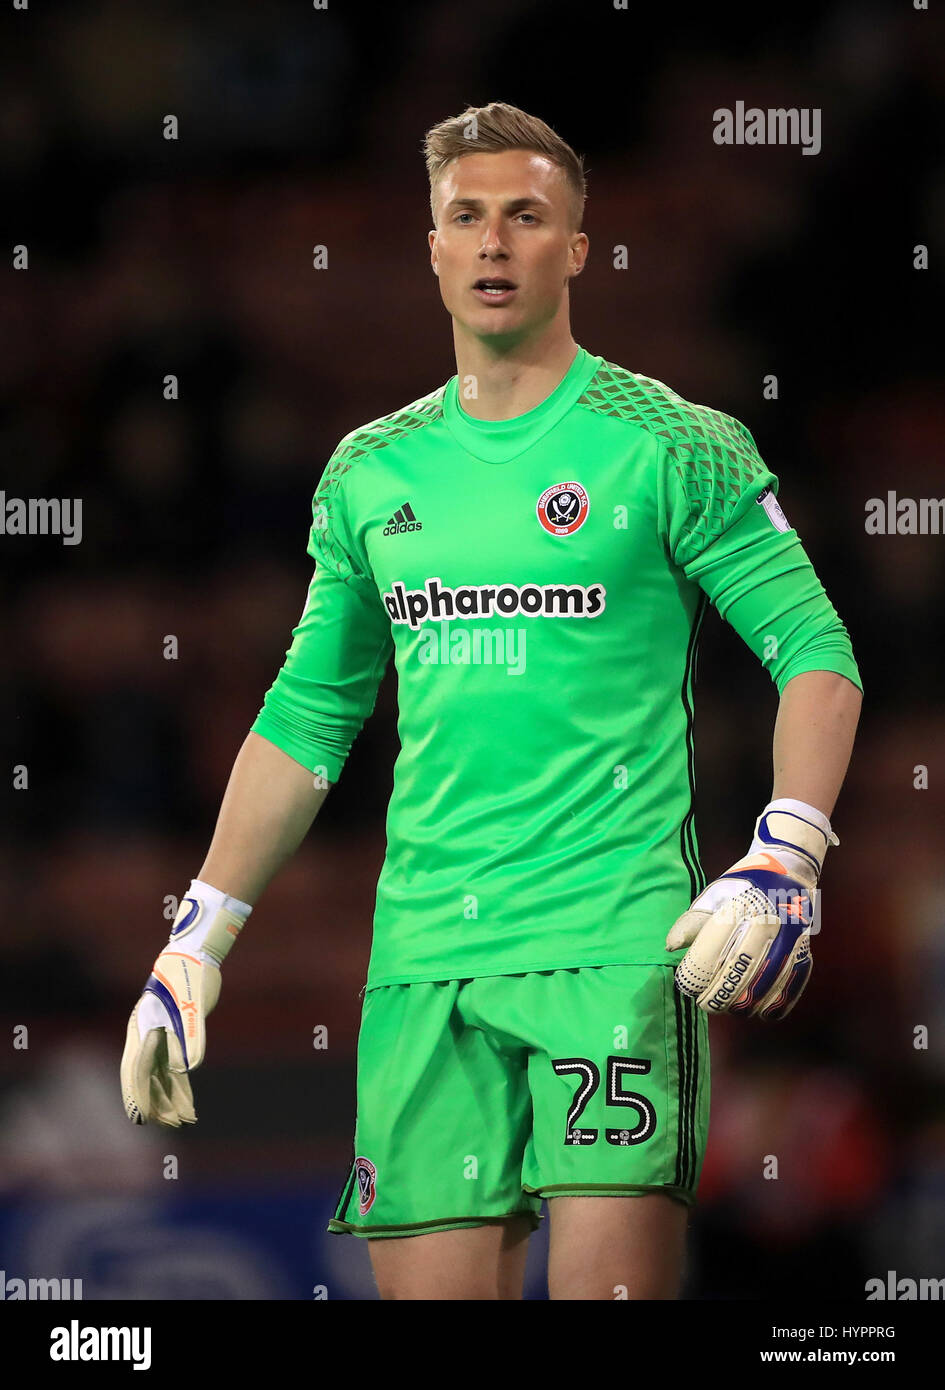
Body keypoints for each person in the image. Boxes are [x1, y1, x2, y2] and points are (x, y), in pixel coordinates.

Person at [121, 101, 863, 1300]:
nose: (494, 244)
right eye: (466, 217)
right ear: (432, 245)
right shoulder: (372, 472)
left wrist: (789, 845)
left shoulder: (673, 444)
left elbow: (817, 653)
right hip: (424, 960)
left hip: (615, 946)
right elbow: (309, 717)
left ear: (577, 246)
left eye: (527, 216)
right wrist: (198, 932)